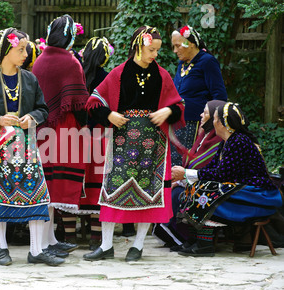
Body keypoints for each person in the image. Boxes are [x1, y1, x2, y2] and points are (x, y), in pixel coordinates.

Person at [0, 28, 64, 266]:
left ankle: (36, 251)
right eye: (21, 49)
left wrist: (32, 118)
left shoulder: (30, 79)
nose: (26, 53)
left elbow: (43, 108)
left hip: (26, 146)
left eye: (25, 49)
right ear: (6, 52)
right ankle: (2, 248)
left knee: (37, 195)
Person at [83, 26, 185, 262]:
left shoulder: (162, 75)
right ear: (139, 46)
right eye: (152, 49)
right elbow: (95, 100)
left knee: (149, 192)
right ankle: (106, 245)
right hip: (121, 142)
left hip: (153, 145)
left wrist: (167, 110)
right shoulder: (119, 73)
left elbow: (178, 105)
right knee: (112, 191)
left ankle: (137, 246)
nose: (155, 55)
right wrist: (109, 115)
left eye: (157, 50)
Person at [172, 102, 283, 257]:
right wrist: (187, 176)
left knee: (204, 192)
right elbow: (212, 170)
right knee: (195, 187)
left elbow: (223, 175)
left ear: (224, 123)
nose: (213, 122)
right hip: (242, 190)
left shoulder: (239, 141)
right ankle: (193, 240)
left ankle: (204, 245)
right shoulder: (227, 142)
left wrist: (185, 173)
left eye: (216, 119)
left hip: (258, 195)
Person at [32, 15, 88, 252]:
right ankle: (45, 242)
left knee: (45, 184)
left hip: (42, 128)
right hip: (64, 127)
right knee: (56, 185)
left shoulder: (39, 61)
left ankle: (50, 239)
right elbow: (80, 101)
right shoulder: (71, 62)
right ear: (69, 36)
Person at [152, 99, 224, 248]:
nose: (200, 115)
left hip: (207, 186)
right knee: (167, 189)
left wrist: (181, 178)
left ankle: (182, 237)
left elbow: (210, 171)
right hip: (194, 182)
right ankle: (173, 237)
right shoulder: (203, 136)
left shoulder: (218, 141)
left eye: (205, 113)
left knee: (176, 193)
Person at [171, 25, 228, 166]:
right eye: (174, 46)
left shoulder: (207, 62)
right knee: (175, 162)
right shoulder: (182, 64)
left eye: (178, 46)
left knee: (187, 162)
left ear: (190, 43)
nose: (175, 50)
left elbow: (219, 96)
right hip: (178, 122)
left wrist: (207, 123)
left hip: (196, 124)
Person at [79, 36, 114, 249]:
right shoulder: (107, 78)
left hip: (77, 135)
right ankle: (95, 236)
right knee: (97, 183)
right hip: (101, 136)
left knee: (80, 180)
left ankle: (69, 235)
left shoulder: (78, 75)